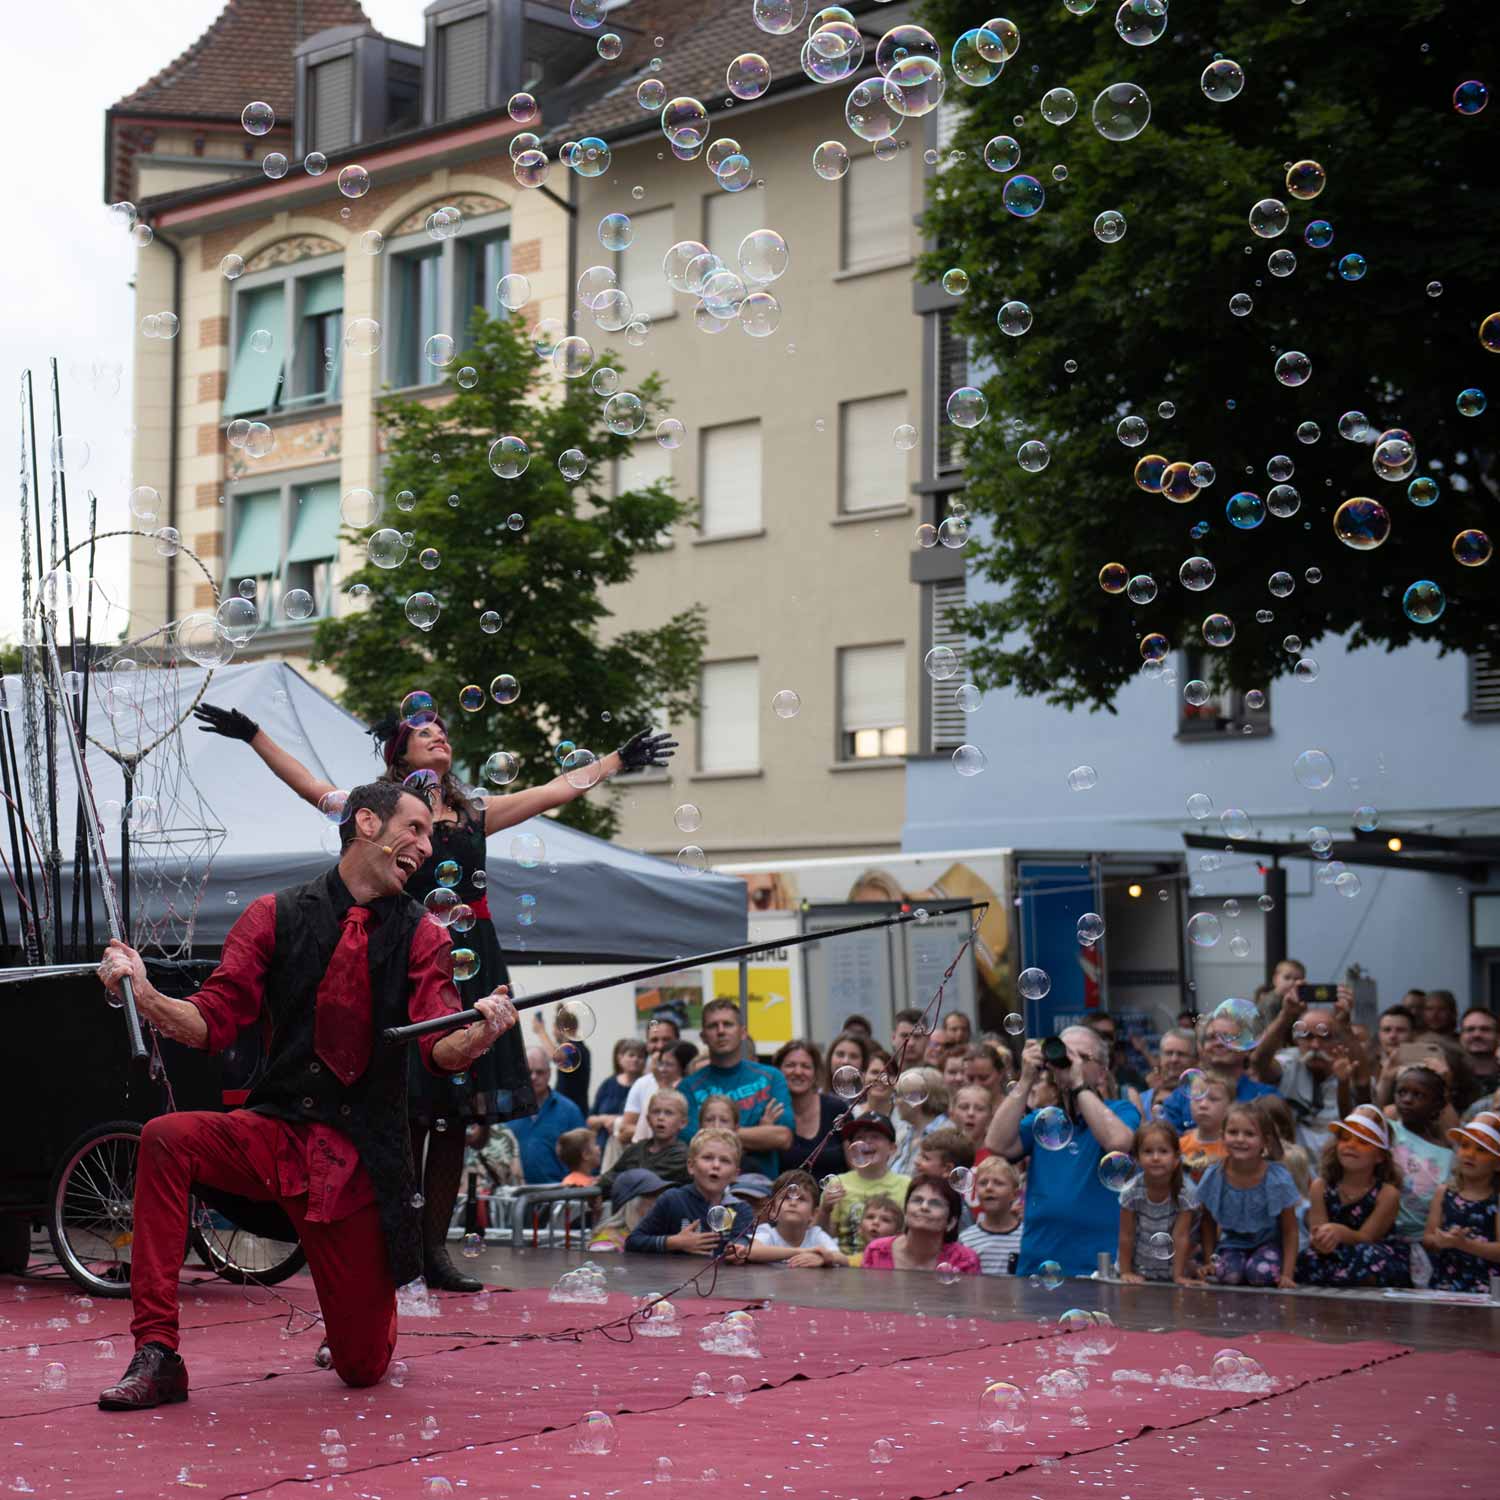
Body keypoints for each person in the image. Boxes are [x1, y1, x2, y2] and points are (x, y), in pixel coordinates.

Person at [192, 698, 674, 1291]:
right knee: (406, 1111)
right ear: (399, 753)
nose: (439, 734)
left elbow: (555, 790)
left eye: (443, 729)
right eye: (425, 730)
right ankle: (395, 1247)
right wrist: (253, 733)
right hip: (403, 960)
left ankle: (435, 1251)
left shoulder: (475, 813)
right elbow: (311, 787)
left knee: (453, 1117)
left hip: (471, 961)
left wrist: (619, 759)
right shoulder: (383, 813)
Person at [93, 782, 521, 1410]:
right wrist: (145, 991)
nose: (427, 847)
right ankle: (157, 1353)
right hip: (277, 1134)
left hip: (360, 1163)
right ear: (367, 823)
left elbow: (440, 1048)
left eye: (430, 836)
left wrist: (480, 1033)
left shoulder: (424, 935)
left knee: (361, 1368)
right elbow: (211, 1022)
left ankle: (359, 1312)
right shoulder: (275, 914)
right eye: (416, 829)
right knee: (165, 1138)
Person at [985, 1028, 1139, 1277]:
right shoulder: (1045, 1119)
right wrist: (1026, 1079)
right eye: (1066, 1054)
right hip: (1038, 1266)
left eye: (1083, 1057)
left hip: (1098, 1268)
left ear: (1102, 1072)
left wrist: (1079, 1085)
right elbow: (997, 1143)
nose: (1071, 1062)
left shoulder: (1121, 1110)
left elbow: (1117, 1142)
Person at [679, 998, 793, 1177]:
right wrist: (760, 1132)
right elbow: (693, 1141)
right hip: (708, 1185)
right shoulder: (687, 1087)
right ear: (703, 1037)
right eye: (713, 1026)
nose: (721, 1031)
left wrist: (713, 1133)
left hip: (760, 1185)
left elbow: (783, 1137)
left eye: (728, 1024)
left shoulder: (771, 1077)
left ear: (743, 1032)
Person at [1294, 1112, 1409, 1287]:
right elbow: (1318, 1232)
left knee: (1367, 1255)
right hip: (1333, 1253)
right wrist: (1320, 1241)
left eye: (1363, 1142)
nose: (1351, 1145)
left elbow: (1367, 1237)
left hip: (1369, 1251)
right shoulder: (1320, 1186)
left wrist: (1340, 1232)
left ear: (1380, 1156)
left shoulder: (1388, 1194)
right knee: (1307, 1259)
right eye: (1345, 1138)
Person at [1196, 1102, 1300, 1289]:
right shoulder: (1214, 1175)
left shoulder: (1277, 1179)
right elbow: (1207, 1222)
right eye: (1233, 1132)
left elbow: (1290, 1229)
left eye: (1249, 1134)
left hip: (1269, 1243)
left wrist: (1287, 1274)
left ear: (1265, 1141)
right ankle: (1242, 1265)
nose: (1240, 1139)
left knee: (1259, 1274)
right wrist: (1210, 1261)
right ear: (1222, 1136)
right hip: (1232, 1244)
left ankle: (1261, 1266)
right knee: (1228, 1275)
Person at [624, 1127, 755, 1255]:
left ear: (735, 1174)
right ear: (691, 1166)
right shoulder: (672, 1200)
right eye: (708, 1158)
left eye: (725, 1160)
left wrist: (738, 1250)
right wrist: (673, 1242)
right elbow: (633, 1242)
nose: (716, 1165)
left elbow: (742, 1242)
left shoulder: (740, 1209)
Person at [1250, 996, 1348, 1155]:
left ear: (1338, 1041)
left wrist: (1344, 1083)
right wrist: (1285, 1015)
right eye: (1307, 1037)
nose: (1315, 1045)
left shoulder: (1348, 1068)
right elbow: (1259, 1061)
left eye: (1324, 1037)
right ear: (1296, 1040)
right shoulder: (1289, 1062)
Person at [1383, 1065, 1454, 1280]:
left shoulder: (1448, 1155)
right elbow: (1360, 1112)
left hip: (1426, 1244)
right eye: (1401, 1092)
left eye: (1418, 1095)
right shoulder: (1389, 1131)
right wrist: (1345, 1083)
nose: (1407, 1100)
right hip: (1385, 1237)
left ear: (1438, 1105)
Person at [1158, 1011, 1277, 1132]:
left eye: (1228, 1037)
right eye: (1211, 1038)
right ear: (1202, 1048)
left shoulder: (1266, 1097)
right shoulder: (1178, 1099)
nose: (1219, 1043)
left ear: (1247, 1048)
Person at [1423, 1113, 1500, 1292]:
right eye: (1465, 1146)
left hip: (1487, 1286)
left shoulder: (1497, 1198)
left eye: (1481, 1150)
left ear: (1498, 1164)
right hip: (1445, 1282)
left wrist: (1463, 1244)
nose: (1470, 1155)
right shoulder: (1444, 1192)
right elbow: (1427, 1237)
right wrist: (1441, 1240)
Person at [1116, 1121, 1197, 1285]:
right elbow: (1126, 1234)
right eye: (1148, 1151)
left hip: (1170, 1272)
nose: (1155, 1158)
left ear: (1176, 1158)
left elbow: (1181, 1236)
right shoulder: (1131, 1190)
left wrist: (1178, 1276)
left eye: (1163, 1151)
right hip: (1138, 1272)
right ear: (1137, 1158)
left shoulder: (1186, 1191)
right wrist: (1126, 1272)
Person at [819, 1113, 912, 1256]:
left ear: (892, 1148)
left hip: (890, 1261)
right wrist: (825, 1211)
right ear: (851, 1148)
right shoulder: (837, 1183)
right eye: (859, 1137)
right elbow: (826, 1236)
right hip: (845, 1263)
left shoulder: (907, 1184)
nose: (867, 1141)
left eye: (875, 1136)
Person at [852, 1174, 981, 1273]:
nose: (924, 1207)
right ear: (906, 1212)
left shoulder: (965, 1260)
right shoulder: (876, 1251)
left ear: (951, 1222)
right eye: (917, 1200)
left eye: (935, 1203)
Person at [596, 1089, 691, 1202]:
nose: (661, 1117)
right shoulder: (635, 1149)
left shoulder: (681, 1155)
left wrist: (621, 1178)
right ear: (648, 1119)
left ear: (683, 1123)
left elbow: (643, 1181)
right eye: (656, 1112)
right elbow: (609, 1177)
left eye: (668, 1113)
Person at [773, 1039, 848, 1178]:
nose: (798, 1072)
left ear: (815, 1073)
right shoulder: (770, 1111)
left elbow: (854, 1166)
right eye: (790, 1065)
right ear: (777, 1071)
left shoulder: (837, 1109)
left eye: (806, 1066)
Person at [511, 1047, 586, 1183]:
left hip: (559, 1192)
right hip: (513, 1192)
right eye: (528, 1072)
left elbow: (584, 1159)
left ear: (549, 1073)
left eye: (540, 1072)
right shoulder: (507, 1108)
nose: (533, 1077)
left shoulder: (570, 1111)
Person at [749, 1171, 846, 1267]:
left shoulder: (815, 1235)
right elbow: (752, 1251)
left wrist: (823, 1258)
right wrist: (803, 1251)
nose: (793, 1203)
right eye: (786, 1198)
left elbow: (843, 1259)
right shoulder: (767, 1232)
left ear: (813, 1214)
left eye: (801, 1199)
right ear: (773, 1210)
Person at [958, 1157, 1024, 1275]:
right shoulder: (966, 1239)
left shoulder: (1026, 1236)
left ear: (1015, 1194)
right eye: (983, 1183)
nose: (989, 1188)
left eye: (998, 1183)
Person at [587, 1167, 668, 1253]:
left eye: (661, 1194)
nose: (660, 1202)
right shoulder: (605, 1245)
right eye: (652, 1195)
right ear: (632, 1205)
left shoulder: (660, 1237)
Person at [588, 1038, 646, 1152]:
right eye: (631, 1055)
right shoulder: (608, 1084)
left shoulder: (647, 1085)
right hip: (605, 1148)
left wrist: (618, 1121)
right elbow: (590, 1120)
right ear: (620, 1058)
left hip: (634, 1150)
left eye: (640, 1056)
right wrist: (604, 1119)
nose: (635, 1059)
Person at [891, 1070, 952, 1175]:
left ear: (919, 1097)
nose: (895, 1101)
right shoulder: (903, 1131)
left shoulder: (948, 1134)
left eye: (900, 1095)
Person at [1179, 1075, 1231, 1182]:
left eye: (1213, 1099)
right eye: (1197, 1098)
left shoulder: (1234, 1146)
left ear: (1229, 1107)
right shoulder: (1179, 1145)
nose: (1203, 1105)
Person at [1141, 1028, 1198, 1120]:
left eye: (1181, 1054)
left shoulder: (1201, 1098)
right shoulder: (1141, 1099)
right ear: (1160, 1057)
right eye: (1169, 1053)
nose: (1174, 1059)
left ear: (1195, 1060)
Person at [1458, 1008, 1500, 1101]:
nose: (1477, 1035)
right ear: (1461, 1036)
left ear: (1498, 1036)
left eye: (1485, 1029)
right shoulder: (1451, 1077)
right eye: (1470, 1029)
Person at [951, 1084, 996, 1160]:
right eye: (964, 1107)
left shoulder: (997, 1155)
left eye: (979, 1109)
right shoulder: (941, 1151)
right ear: (952, 1114)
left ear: (990, 1117)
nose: (970, 1113)